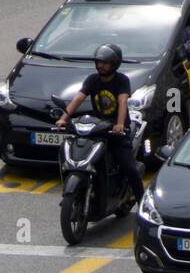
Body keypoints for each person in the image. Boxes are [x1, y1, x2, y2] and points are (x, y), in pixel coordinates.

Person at [54, 44, 145, 202]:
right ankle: (77, 191)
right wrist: (64, 118)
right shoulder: (92, 80)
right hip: (98, 129)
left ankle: (141, 201)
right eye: (99, 62)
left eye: (105, 62)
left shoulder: (121, 80)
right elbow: (78, 98)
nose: (101, 65)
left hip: (117, 132)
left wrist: (120, 124)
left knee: (129, 167)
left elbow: (122, 101)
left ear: (114, 64)